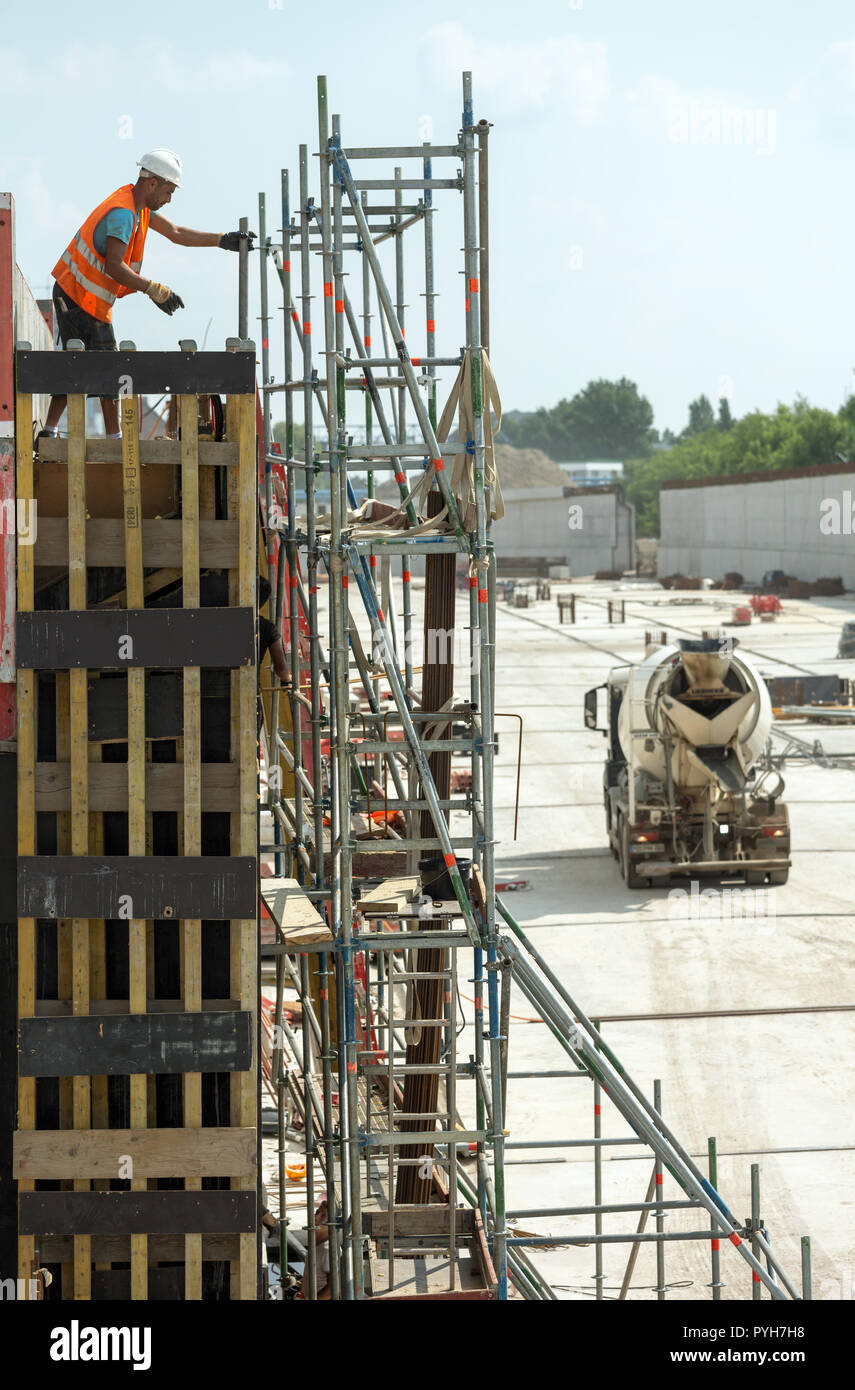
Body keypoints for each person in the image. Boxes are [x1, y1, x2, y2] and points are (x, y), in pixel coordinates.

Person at [40, 148, 255, 442]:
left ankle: (60, 432)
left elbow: (176, 232)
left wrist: (222, 240)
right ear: (152, 183)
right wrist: (154, 290)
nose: (169, 199)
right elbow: (114, 266)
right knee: (94, 363)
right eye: (168, 192)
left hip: (86, 296)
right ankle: (103, 438)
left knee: (85, 363)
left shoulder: (136, 207)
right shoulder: (123, 214)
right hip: (76, 293)